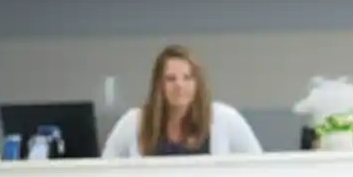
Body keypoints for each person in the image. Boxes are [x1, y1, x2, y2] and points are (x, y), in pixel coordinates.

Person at [101, 45, 262, 157]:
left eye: (187, 78)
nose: (179, 85)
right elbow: (103, 172)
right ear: (159, 85)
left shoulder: (225, 119)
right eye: (171, 79)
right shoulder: (134, 121)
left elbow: (259, 168)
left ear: (197, 82)